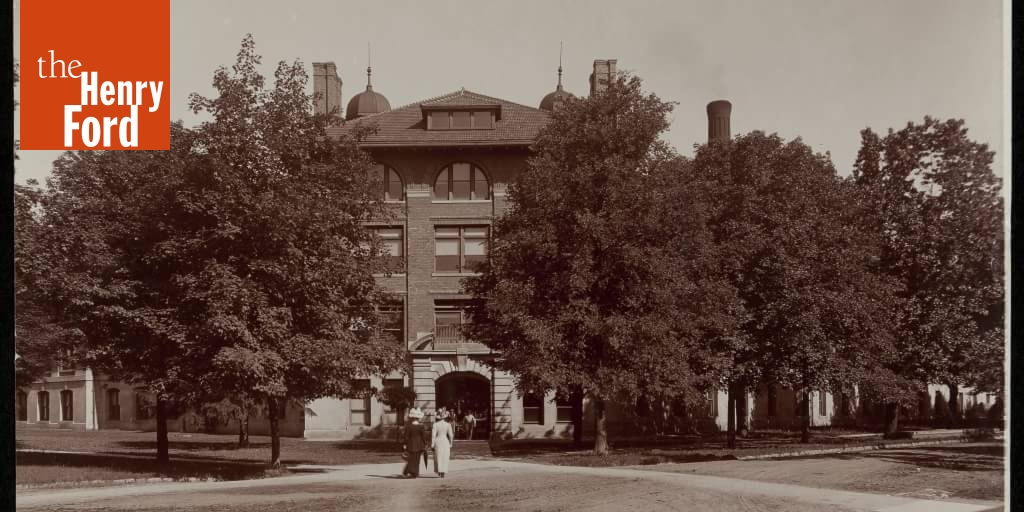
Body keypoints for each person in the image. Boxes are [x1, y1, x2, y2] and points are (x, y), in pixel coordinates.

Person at [402, 408, 430, 478]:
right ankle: (415, 473)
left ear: (412, 418)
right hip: (419, 444)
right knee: (417, 459)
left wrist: (405, 444)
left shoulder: (409, 426)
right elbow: (423, 436)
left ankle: (410, 471)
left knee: (411, 458)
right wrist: (425, 443)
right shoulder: (421, 426)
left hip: (411, 444)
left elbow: (406, 436)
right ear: (418, 418)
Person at [431, 410, 454, 478]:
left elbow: (433, 435)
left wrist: (432, 444)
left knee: (438, 456)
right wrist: (451, 443)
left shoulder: (435, 424)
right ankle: (443, 471)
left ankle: (439, 470)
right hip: (445, 441)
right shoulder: (448, 424)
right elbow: (451, 435)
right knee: (445, 456)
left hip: (438, 440)